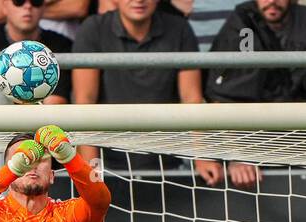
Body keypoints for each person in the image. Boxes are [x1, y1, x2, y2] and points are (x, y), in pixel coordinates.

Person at [205, 0, 306, 192]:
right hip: (247, 130)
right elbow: (224, 96)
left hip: (298, 131)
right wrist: (237, 155)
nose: (272, 2)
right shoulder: (245, 23)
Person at [71, 0, 223, 185]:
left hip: (170, 165)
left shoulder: (179, 28)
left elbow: (191, 98)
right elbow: (84, 101)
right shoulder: (93, 28)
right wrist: (91, 170)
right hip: (109, 165)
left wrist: (201, 156)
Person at [0, 0, 73, 105]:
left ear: (43, 7)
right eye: (19, 1)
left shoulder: (61, 43)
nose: (28, 6)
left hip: (43, 121)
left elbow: (55, 104)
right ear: (4, 6)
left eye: (36, 2)